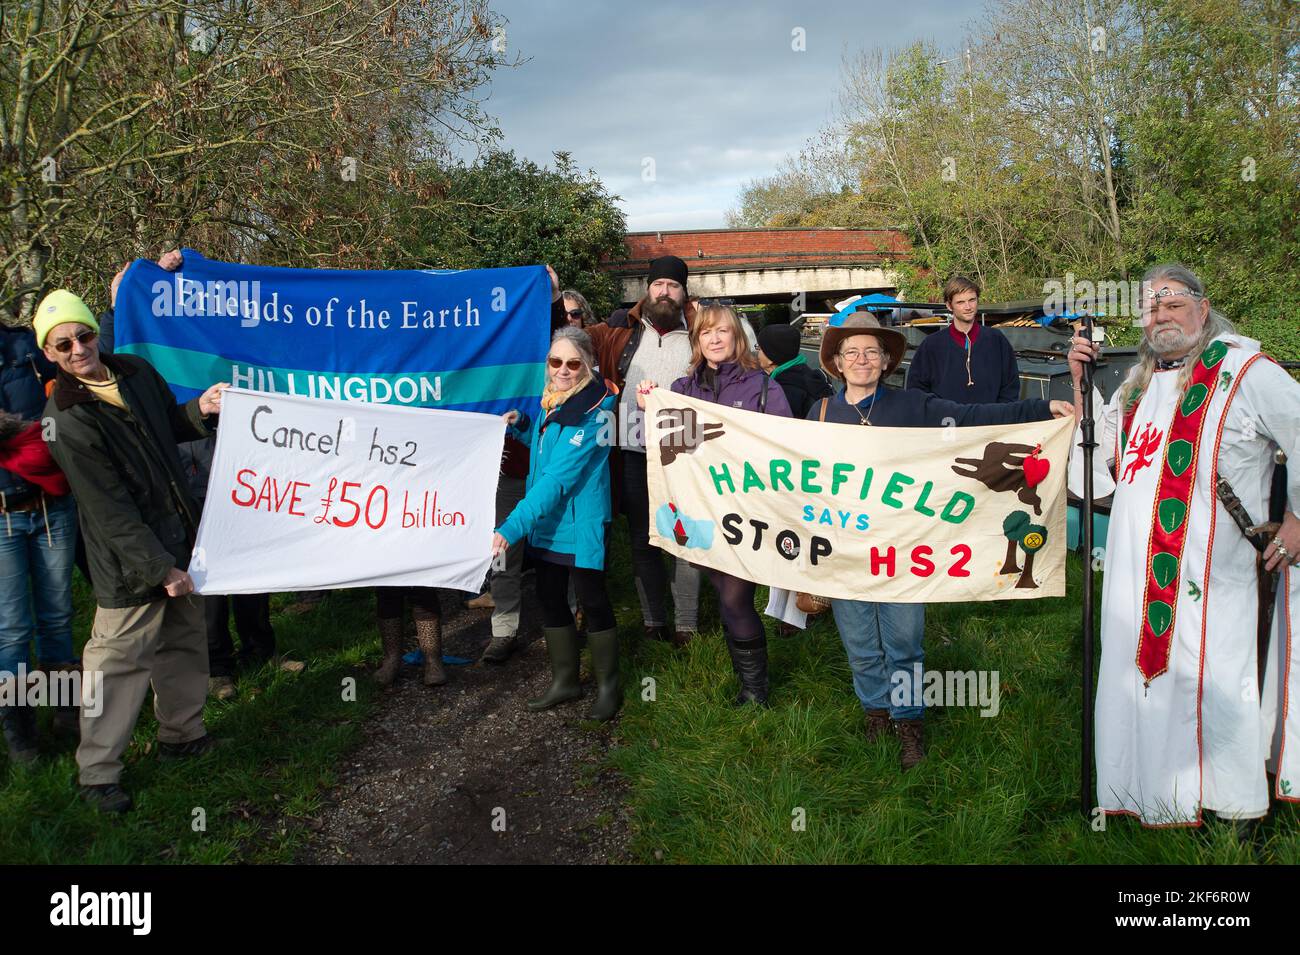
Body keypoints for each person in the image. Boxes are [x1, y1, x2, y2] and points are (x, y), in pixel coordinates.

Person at [1067, 263, 1300, 828]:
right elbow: (1096, 470)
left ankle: (1235, 805)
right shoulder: (1139, 383)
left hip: (1214, 570)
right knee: (1142, 679)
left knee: (1219, 677)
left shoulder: (1244, 370)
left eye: (1172, 303)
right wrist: (1078, 383)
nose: (1160, 316)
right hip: (1133, 570)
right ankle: (1156, 796)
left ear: (1202, 306)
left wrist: (1297, 517)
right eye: (1150, 307)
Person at [813, 313, 1071, 769]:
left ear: (887, 359)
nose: (861, 359)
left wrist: (1038, 409)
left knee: (905, 641)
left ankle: (908, 720)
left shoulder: (913, 405)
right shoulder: (819, 414)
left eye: (872, 351)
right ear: (835, 361)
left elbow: (975, 418)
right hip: (847, 547)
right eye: (851, 351)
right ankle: (876, 712)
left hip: (907, 545)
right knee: (859, 642)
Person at [38, 288, 228, 813]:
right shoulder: (66, 418)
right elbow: (108, 509)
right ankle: (98, 773)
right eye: (64, 344)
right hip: (127, 562)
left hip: (178, 534)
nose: (79, 348)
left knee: (185, 642)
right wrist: (157, 566)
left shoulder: (137, 372)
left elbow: (170, 426)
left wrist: (201, 409)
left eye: (84, 334)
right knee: (116, 663)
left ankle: (182, 735)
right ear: (50, 354)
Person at [103, 250, 297, 701]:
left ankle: (261, 650)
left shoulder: (237, 330)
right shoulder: (144, 342)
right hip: (188, 465)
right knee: (204, 569)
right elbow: (117, 356)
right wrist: (121, 301)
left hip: (242, 463)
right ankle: (216, 668)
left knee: (252, 565)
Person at [637, 304, 794, 705]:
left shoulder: (764, 388)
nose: (714, 339)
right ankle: (745, 679)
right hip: (701, 512)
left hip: (747, 513)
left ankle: (756, 692)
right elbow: (662, 447)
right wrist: (650, 409)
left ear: (737, 337)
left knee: (734, 597)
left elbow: (786, 451)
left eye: (723, 331)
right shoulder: (684, 388)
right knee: (723, 590)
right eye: (706, 332)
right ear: (698, 340)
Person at [492, 327, 621, 720]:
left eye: (572, 364)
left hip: (580, 525)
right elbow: (548, 454)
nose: (562, 370)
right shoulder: (553, 403)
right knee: (548, 598)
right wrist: (525, 427)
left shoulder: (597, 413)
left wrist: (509, 530)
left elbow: (558, 478)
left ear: (588, 366)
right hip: (549, 524)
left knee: (593, 602)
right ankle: (565, 681)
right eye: (555, 362)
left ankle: (608, 688)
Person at [584, 256, 700, 646]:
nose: (664, 292)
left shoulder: (702, 331)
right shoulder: (620, 331)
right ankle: (654, 620)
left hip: (687, 453)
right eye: (658, 285)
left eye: (673, 285)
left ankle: (686, 624)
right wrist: (551, 299)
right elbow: (567, 337)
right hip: (633, 451)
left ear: (684, 293)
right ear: (646, 290)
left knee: (686, 536)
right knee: (643, 538)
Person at [0, 322, 78, 762]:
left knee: (58, 617)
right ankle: (20, 729)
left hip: (51, 507)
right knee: (12, 629)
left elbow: (73, 366)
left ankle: (66, 711)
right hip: (3, 516)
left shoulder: (25, 343)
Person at [906, 275, 1020, 404]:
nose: (968, 307)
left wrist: (998, 416)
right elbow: (917, 391)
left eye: (972, 300)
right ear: (949, 306)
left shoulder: (996, 340)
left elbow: (1010, 386)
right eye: (960, 302)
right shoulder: (932, 345)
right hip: (947, 422)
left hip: (990, 421)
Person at [757, 321, 831, 419]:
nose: (757, 353)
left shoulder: (783, 390)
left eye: (760, 348)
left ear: (771, 357)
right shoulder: (807, 375)